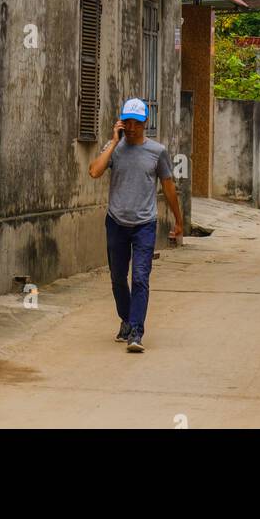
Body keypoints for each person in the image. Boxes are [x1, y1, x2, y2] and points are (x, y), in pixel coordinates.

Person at [88, 97, 183, 354]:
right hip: (116, 222)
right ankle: (127, 319)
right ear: (121, 122)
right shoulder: (114, 148)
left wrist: (178, 220)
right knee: (118, 278)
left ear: (145, 123)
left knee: (140, 278)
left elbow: (169, 187)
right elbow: (94, 171)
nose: (131, 127)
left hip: (144, 225)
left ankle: (136, 331)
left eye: (136, 123)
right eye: (127, 122)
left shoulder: (157, 151)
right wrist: (113, 141)